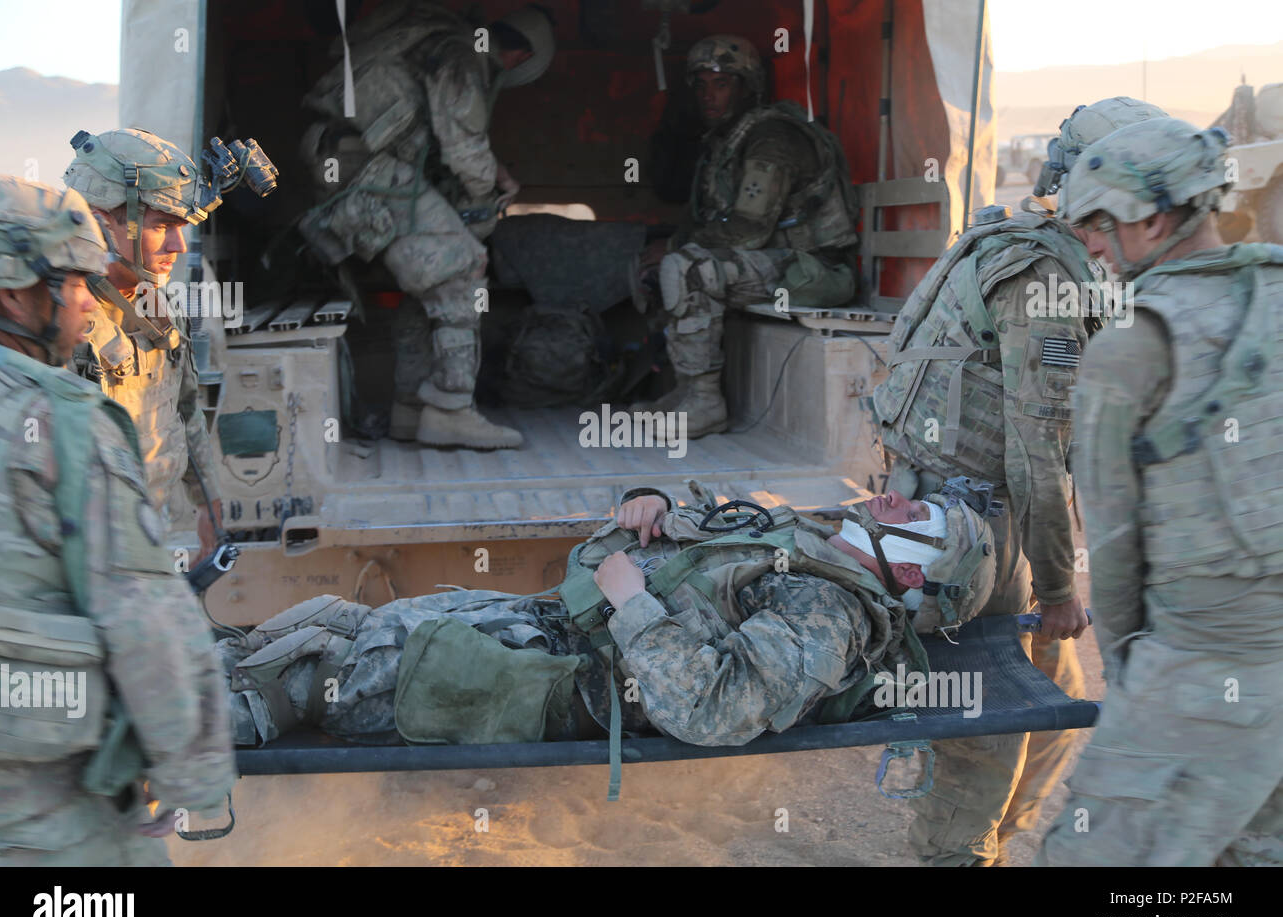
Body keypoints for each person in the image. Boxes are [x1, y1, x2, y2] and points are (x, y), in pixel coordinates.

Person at [871, 96, 1168, 866]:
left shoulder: (1020, 240)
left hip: (949, 503)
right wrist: (1063, 589)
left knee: (1055, 700)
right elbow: (1035, 455)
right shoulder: (1044, 279)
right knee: (989, 725)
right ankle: (960, 853)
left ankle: (990, 845)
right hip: (972, 528)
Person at [220, 479, 995, 754]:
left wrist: (632, 604)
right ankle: (181, 672)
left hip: (557, 677)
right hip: (547, 621)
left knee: (306, 683)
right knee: (326, 621)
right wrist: (653, 507)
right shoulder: (811, 540)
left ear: (908, 571)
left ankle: (156, 724)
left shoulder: (832, 614)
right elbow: (709, 537)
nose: (893, 496)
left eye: (916, 511)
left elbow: (712, 705)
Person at [1037, 117, 1283, 866]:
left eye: (1100, 225)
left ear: (1154, 216)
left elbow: (1112, 556)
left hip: (1203, 664)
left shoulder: (1129, 348)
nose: (1093, 247)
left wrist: (1142, 685)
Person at [0, 173, 234, 865]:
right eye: (72, 285)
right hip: (46, 817)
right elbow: (146, 623)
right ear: (12, 293)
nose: (84, 303)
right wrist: (193, 776)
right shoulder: (62, 423)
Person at [299, 1, 555, 448]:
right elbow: (464, 148)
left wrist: (495, 175)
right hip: (364, 167)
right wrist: (488, 195)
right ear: (522, 55)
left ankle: (410, 408)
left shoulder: (434, 40)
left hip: (342, 159)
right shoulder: (462, 57)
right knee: (464, 266)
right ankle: (451, 408)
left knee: (428, 283)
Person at [633, 34, 859, 438]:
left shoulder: (772, 138)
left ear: (746, 87)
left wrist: (672, 248)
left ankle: (705, 403)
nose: (708, 96)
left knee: (689, 271)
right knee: (657, 267)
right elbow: (712, 220)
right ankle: (686, 390)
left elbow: (749, 230)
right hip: (778, 265)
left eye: (721, 84)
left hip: (814, 270)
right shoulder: (726, 142)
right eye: (701, 85)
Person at [63, 128, 234, 556]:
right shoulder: (61, 328)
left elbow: (185, 406)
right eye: (163, 227)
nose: (178, 245)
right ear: (101, 225)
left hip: (145, 536)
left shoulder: (153, 304)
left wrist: (207, 502)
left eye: (182, 227)